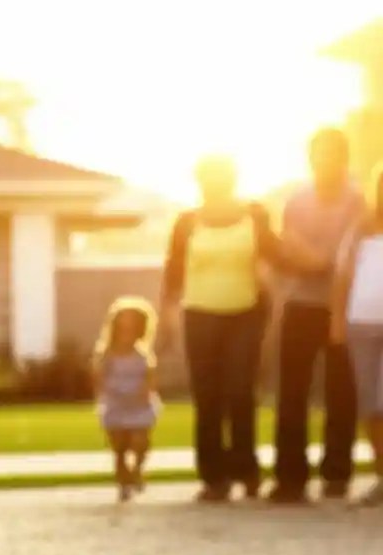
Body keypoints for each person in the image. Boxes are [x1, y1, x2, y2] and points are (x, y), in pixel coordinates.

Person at [161, 155, 326, 502]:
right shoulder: (186, 222)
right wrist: (167, 314)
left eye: (221, 177)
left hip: (246, 314)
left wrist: (316, 265)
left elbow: (276, 255)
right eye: (209, 178)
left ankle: (246, 471)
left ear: (232, 180)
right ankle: (213, 478)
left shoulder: (253, 215)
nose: (215, 184)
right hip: (199, 314)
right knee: (208, 398)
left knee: (239, 391)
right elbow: (174, 271)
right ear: (200, 182)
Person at [270, 127, 367, 504]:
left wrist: (323, 262)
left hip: (342, 308)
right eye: (318, 154)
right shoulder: (297, 200)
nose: (324, 161)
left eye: (331, 154)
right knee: (292, 392)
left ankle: (336, 473)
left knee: (341, 393)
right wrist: (315, 260)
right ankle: (290, 477)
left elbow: (355, 248)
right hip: (300, 305)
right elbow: (288, 244)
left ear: (343, 158)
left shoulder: (358, 200)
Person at [331, 165, 383, 506]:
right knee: (370, 406)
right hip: (361, 324)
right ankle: (382, 475)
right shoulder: (362, 229)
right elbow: (343, 275)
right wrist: (337, 320)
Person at [93, 297, 161, 502]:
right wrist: (105, 392)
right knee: (119, 446)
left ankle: (138, 469)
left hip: (138, 402)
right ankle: (123, 481)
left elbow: (150, 377)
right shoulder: (107, 354)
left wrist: (144, 392)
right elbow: (98, 376)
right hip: (115, 402)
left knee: (141, 441)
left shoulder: (142, 355)